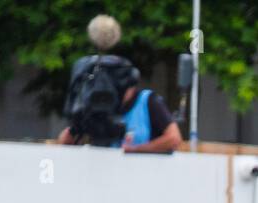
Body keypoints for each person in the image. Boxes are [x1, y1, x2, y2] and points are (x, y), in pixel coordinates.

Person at [57, 16, 182, 153]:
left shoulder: (148, 102)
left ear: (130, 81)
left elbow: (173, 138)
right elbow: (65, 141)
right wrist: (74, 130)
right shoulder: (94, 110)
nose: (106, 89)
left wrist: (135, 150)